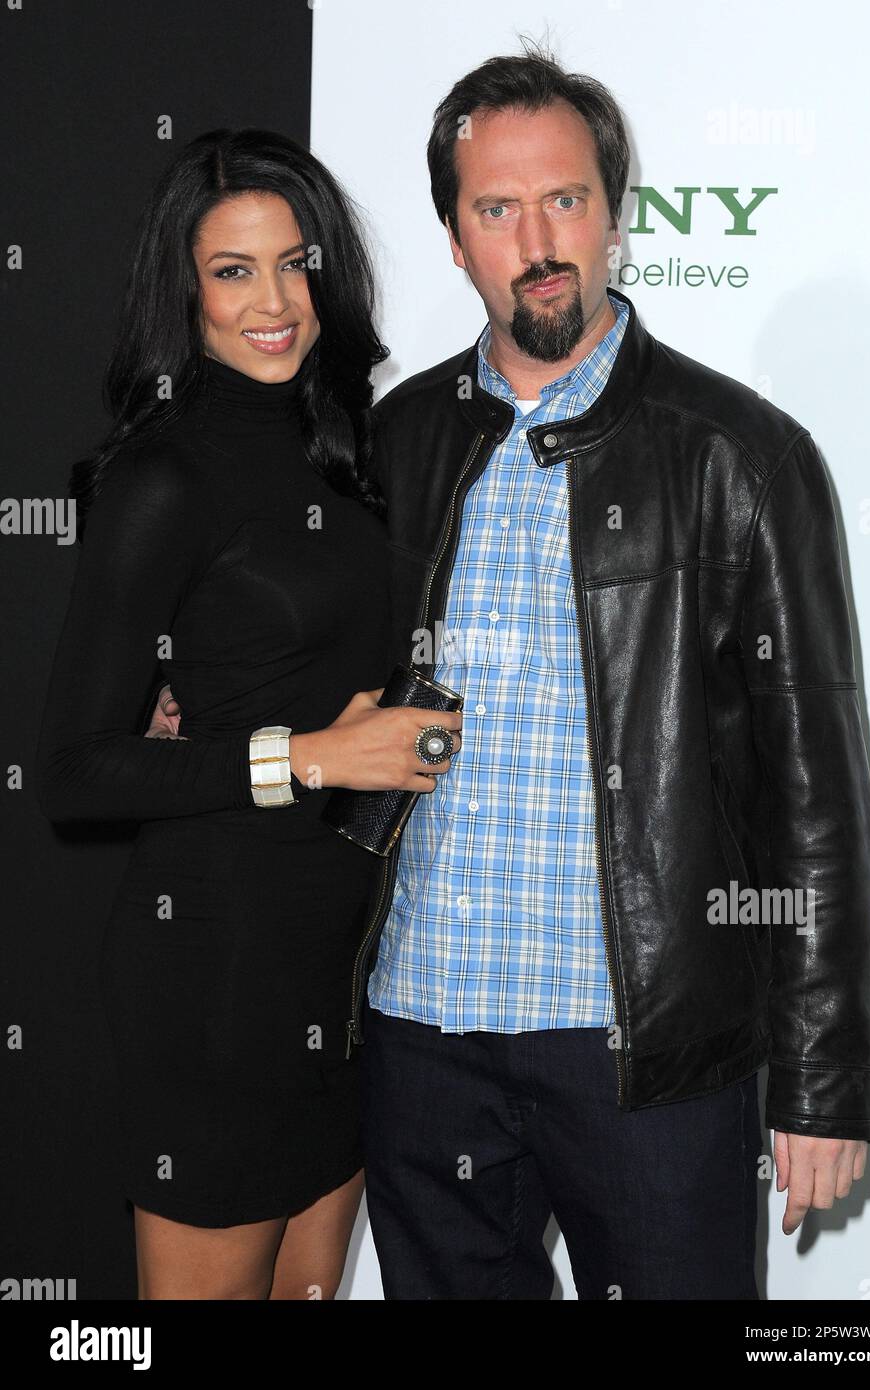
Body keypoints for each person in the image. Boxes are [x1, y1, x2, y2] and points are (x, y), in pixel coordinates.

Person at [351, 44, 870, 1299]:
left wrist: (821, 1077)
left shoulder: (739, 454)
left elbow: (815, 790)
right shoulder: (391, 442)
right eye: (497, 208)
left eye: (566, 199)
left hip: (646, 1049)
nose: (537, 239)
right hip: (423, 1035)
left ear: (614, 212)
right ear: (454, 235)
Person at [35, 128, 462, 1300]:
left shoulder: (349, 450)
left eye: (296, 262)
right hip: (212, 978)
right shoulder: (161, 476)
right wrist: (310, 753)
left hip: (342, 977)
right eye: (233, 271)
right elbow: (71, 771)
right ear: (185, 290)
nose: (274, 302)